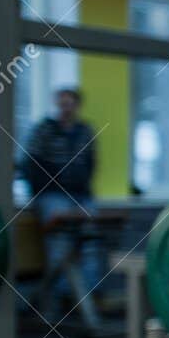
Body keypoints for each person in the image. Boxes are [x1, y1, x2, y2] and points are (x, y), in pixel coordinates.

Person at [19, 86, 103, 321]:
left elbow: (91, 163)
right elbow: (30, 163)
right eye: (62, 103)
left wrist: (82, 191)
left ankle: (85, 301)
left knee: (92, 243)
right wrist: (43, 192)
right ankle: (55, 304)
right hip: (53, 195)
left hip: (80, 195)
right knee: (59, 247)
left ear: (77, 105)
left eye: (70, 103)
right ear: (57, 105)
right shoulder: (43, 130)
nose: (66, 108)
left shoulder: (85, 131)